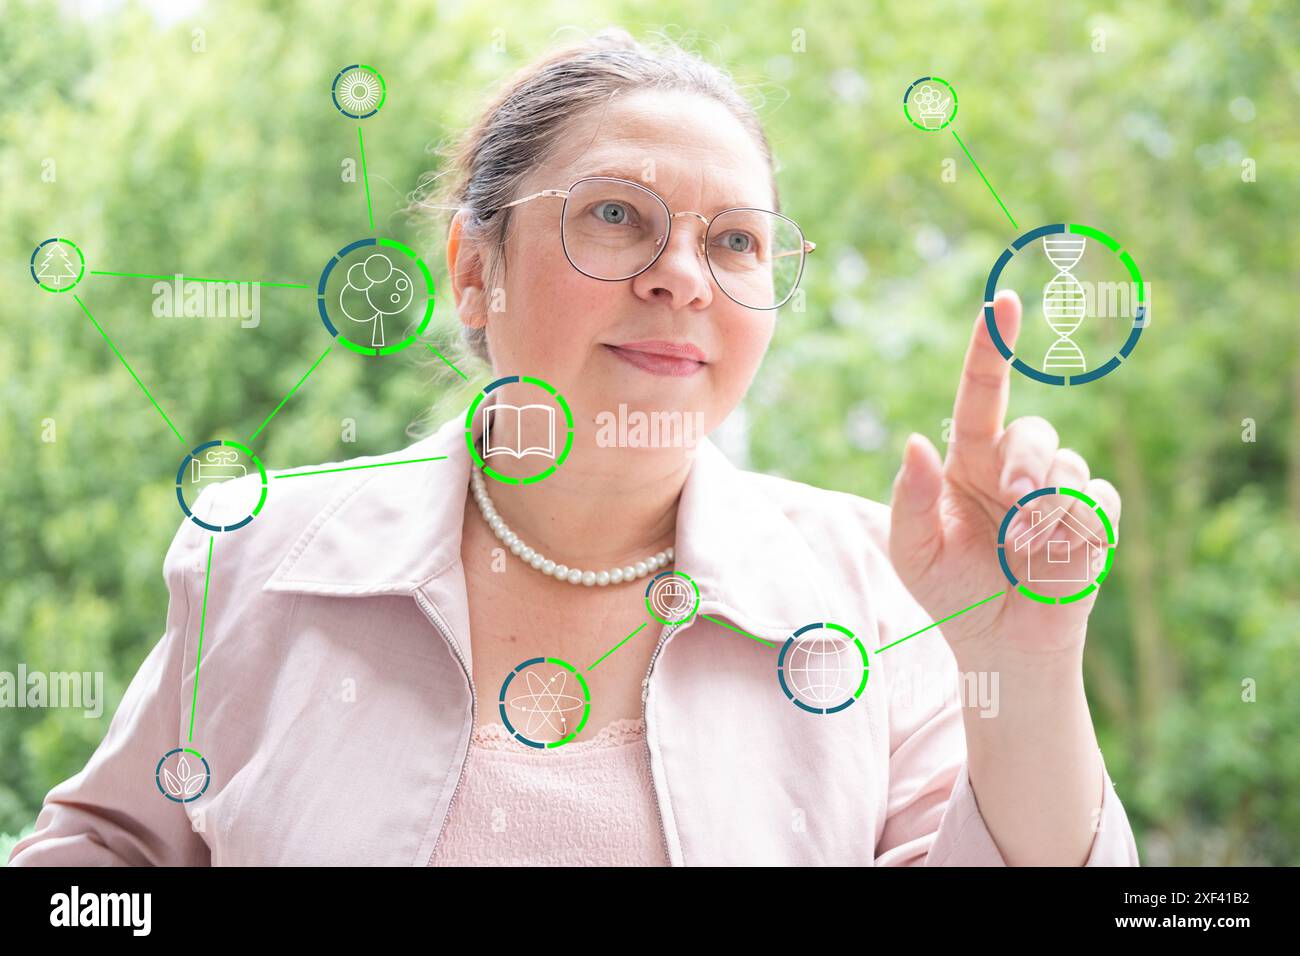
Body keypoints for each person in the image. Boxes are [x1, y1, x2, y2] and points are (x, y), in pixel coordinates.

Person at [9, 27, 1138, 866]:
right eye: (614, 214)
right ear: (471, 266)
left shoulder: (882, 594)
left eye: (734, 239)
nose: (681, 275)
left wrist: (1025, 672)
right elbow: (93, 869)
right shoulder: (260, 557)